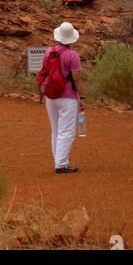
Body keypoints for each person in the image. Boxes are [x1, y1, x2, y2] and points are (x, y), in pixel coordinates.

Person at [37, 22, 84, 174]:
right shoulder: (72, 55)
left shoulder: (48, 52)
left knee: (56, 130)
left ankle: (59, 160)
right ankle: (61, 164)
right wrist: (81, 98)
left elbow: (44, 72)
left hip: (51, 96)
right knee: (67, 131)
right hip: (67, 97)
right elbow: (77, 80)